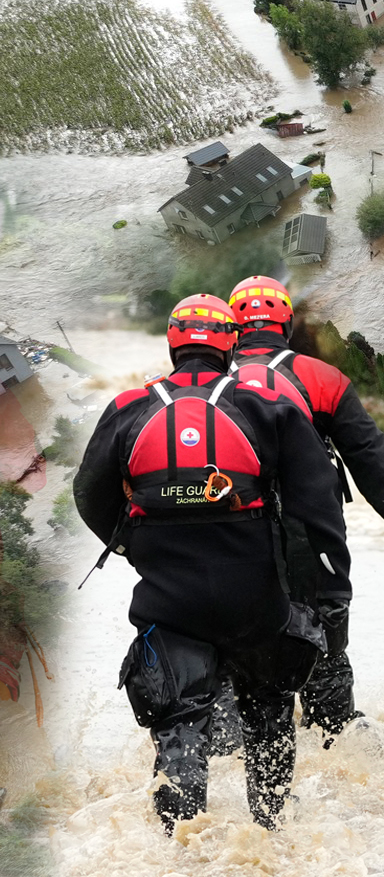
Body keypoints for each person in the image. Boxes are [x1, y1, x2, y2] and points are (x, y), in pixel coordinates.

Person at [74, 296, 351, 832]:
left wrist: (137, 548)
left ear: (174, 344)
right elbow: (316, 506)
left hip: (168, 600)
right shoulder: (263, 405)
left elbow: (90, 496)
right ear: (230, 345)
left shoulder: (130, 407)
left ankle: (185, 848)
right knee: (268, 713)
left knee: (179, 724)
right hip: (257, 598)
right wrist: (319, 590)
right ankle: (271, 833)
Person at [226, 275, 384, 741]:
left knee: (232, 649)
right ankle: (332, 736)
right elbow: (369, 455)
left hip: (231, 539)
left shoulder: (209, 384)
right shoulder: (322, 379)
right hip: (310, 536)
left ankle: (231, 750)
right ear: (285, 324)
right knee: (323, 647)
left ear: (233, 328)